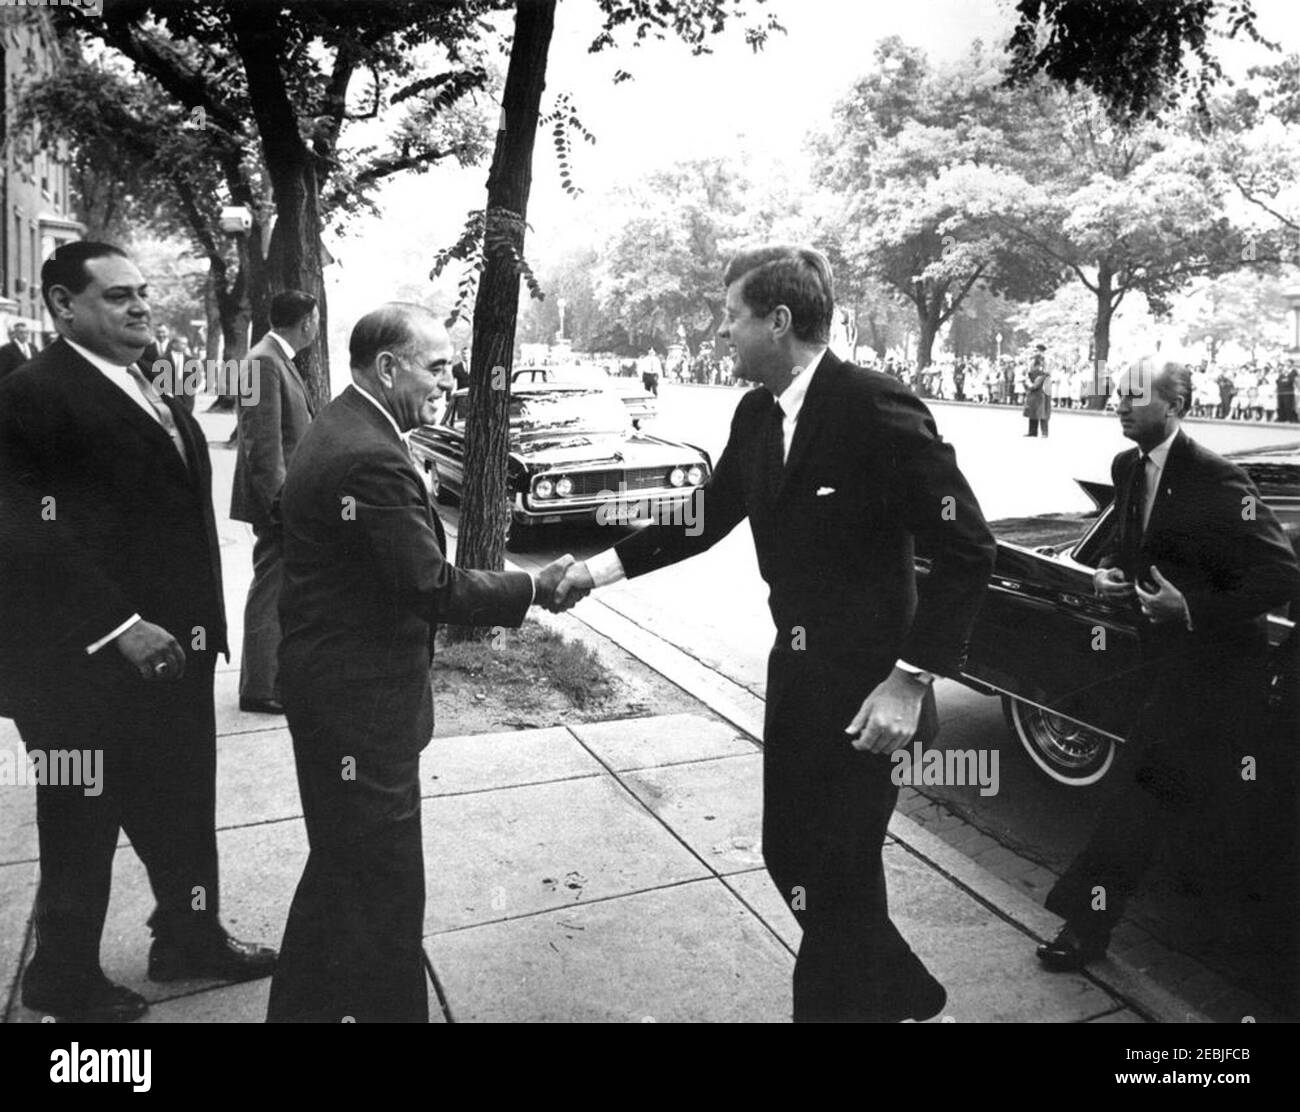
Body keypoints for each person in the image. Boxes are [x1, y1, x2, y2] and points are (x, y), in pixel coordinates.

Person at [555, 246, 996, 1022]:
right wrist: (594, 574)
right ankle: (907, 1000)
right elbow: (704, 516)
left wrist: (911, 678)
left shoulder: (874, 407)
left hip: (875, 694)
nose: (723, 332)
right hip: (798, 678)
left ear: (779, 321)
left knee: (837, 869)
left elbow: (969, 547)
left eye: (732, 316)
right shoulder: (756, 415)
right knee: (791, 857)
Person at [265, 303, 579, 1023]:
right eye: (437, 366)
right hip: (358, 707)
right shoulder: (370, 453)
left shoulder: (347, 425)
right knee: (386, 894)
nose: (449, 379)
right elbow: (430, 584)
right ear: (388, 366)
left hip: (334, 691)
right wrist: (534, 586)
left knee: (343, 871)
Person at [0, 242, 276, 1023]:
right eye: (118, 296)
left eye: (144, 294)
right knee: (80, 822)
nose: (141, 308)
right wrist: (117, 625)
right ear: (62, 306)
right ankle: (60, 975)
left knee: (183, 805)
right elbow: (19, 530)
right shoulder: (31, 395)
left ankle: (188, 937)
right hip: (79, 669)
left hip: (175, 657)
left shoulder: (151, 378)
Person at [1036, 358, 1300, 972]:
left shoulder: (1219, 479)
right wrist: (1114, 578)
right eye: (1117, 396)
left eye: (1134, 397)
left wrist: (1192, 608)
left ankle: (1088, 927)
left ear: (1174, 405)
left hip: (1221, 671)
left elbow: (1282, 574)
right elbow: (1146, 554)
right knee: (1186, 799)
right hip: (1161, 662)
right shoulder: (1127, 467)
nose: (1118, 405)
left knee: (1143, 794)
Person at [229, 290, 320, 715]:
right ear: (305, 322)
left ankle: (269, 678)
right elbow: (261, 444)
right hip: (279, 504)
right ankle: (259, 687)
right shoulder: (263, 362)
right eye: (315, 320)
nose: (317, 328)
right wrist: (281, 505)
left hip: (284, 499)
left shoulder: (272, 359)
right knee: (270, 588)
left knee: (278, 586)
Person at [1023, 343, 1051, 437]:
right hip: (1033, 388)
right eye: (1036, 351)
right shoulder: (1032, 362)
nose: (1036, 353)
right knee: (1032, 409)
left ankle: (1044, 432)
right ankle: (1032, 431)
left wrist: (1034, 385)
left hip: (1042, 388)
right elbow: (1028, 374)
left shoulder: (1046, 362)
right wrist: (1028, 383)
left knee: (1043, 410)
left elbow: (1045, 374)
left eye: (1038, 351)